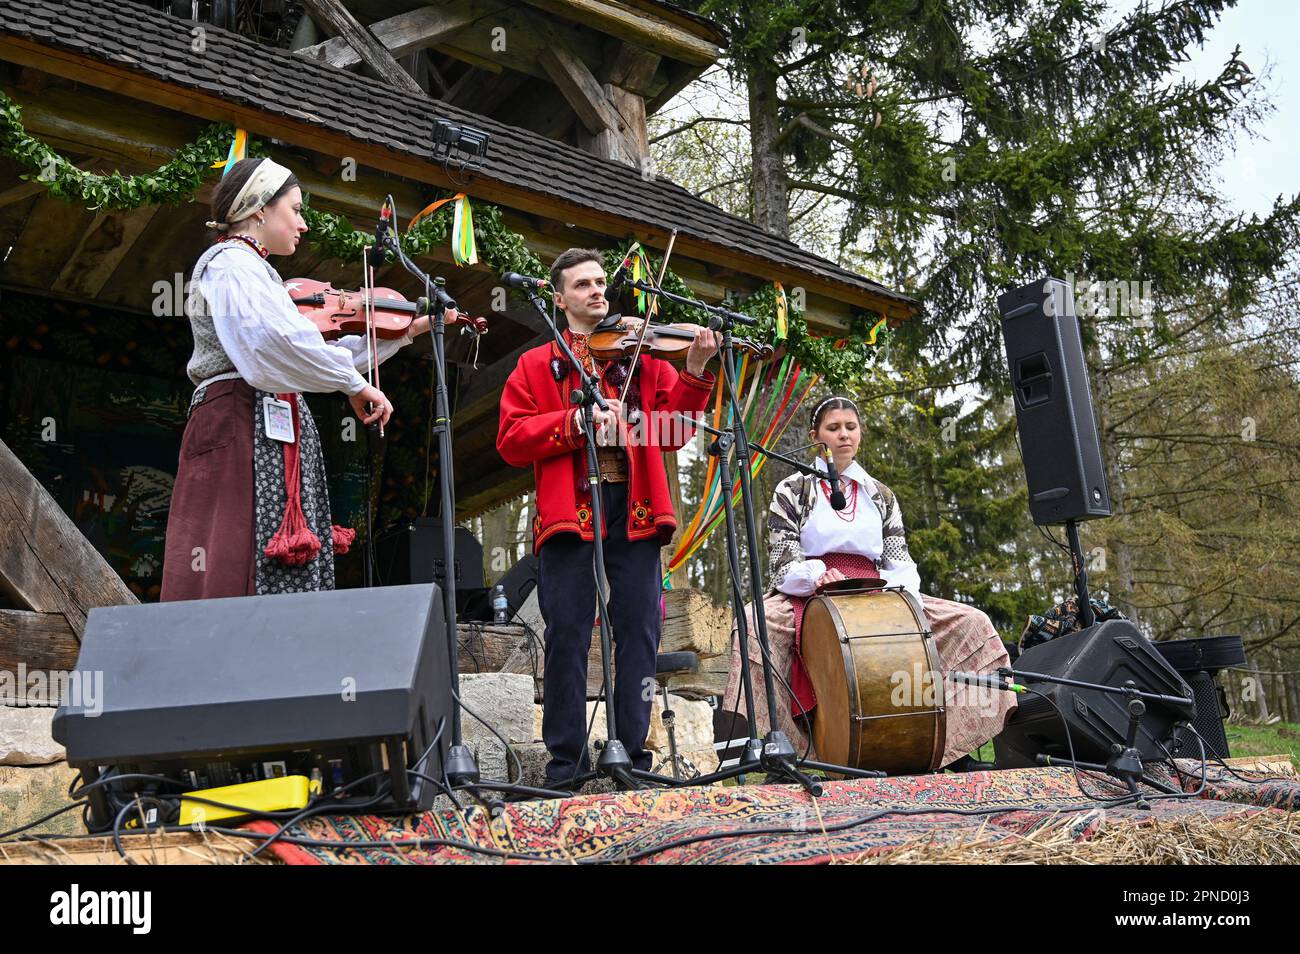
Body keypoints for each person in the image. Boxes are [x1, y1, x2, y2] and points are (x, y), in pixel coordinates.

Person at [497, 248, 719, 789]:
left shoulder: (642, 358)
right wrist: (576, 422)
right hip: (570, 515)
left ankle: (630, 758)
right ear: (559, 297)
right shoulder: (535, 364)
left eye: (601, 282)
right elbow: (509, 439)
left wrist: (693, 370)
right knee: (568, 634)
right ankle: (565, 766)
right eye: (582, 285)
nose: (597, 291)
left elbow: (677, 430)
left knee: (639, 631)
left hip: (636, 511)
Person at [161, 157, 426, 601]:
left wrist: (404, 334)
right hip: (238, 417)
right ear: (260, 208)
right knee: (232, 550)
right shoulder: (230, 263)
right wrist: (352, 384)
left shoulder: (257, 271)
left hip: (266, 421)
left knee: (259, 553)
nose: (303, 224)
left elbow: (314, 353)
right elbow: (271, 345)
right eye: (296, 209)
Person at [726, 395, 1016, 768]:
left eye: (851, 427)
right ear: (816, 437)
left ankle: (949, 750)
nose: (844, 435)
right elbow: (784, 564)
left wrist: (900, 599)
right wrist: (818, 576)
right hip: (811, 592)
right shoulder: (791, 490)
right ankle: (792, 755)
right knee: (752, 626)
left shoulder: (881, 494)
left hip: (879, 591)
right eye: (834, 428)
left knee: (971, 623)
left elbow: (898, 560)